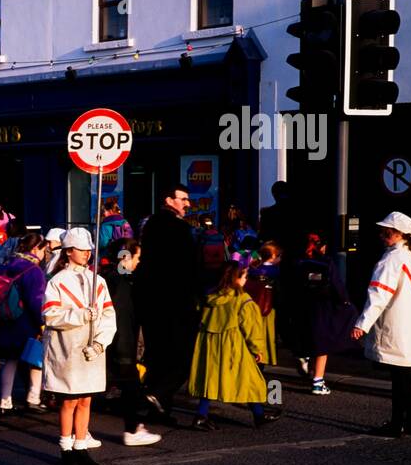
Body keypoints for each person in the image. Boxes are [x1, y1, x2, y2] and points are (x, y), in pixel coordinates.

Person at [352, 212, 411, 437]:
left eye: (387, 231)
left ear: (400, 234)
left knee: (399, 379)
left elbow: (379, 294)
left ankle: (397, 424)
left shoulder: (390, 259)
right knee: (405, 377)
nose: (382, 234)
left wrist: (362, 324)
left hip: (395, 325)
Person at [43, 228, 116, 465]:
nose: (87, 253)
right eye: (82, 249)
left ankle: (81, 446)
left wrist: (100, 343)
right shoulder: (57, 281)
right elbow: (50, 315)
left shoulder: (99, 281)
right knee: (70, 400)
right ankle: (66, 448)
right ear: (69, 251)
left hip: (92, 350)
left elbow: (108, 315)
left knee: (86, 400)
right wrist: (81, 314)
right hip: (68, 349)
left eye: (88, 249)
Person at [188, 260, 280, 430]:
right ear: (236, 279)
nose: (246, 280)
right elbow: (251, 328)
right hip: (234, 345)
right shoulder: (243, 300)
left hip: (210, 344)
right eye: (244, 276)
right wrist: (257, 349)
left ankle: (201, 415)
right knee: (249, 378)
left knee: (209, 380)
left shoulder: (210, 297)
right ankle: (259, 414)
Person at [135, 183, 199, 425]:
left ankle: (159, 409)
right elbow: (189, 268)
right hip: (175, 302)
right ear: (169, 200)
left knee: (157, 356)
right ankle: (158, 394)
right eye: (183, 199)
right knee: (182, 357)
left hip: (151, 302)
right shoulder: (180, 229)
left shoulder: (149, 224)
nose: (187, 204)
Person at [0, 231, 49, 414]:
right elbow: (36, 301)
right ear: (36, 249)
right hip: (23, 323)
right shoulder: (34, 271)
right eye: (43, 250)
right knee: (36, 358)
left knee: (10, 360)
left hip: (2, 320)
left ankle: (5, 401)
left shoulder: (7, 264)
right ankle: (33, 398)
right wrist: (42, 322)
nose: (44, 255)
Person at [102, 239, 160, 446]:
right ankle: (134, 428)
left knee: (122, 384)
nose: (139, 262)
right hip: (120, 341)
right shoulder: (118, 281)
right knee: (130, 384)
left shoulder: (114, 277)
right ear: (126, 257)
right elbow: (120, 316)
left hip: (117, 341)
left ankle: (134, 426)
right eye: (137, 257)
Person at [293, 234, 359, 395]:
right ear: (321, 246)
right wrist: (345, 301)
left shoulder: (299, 262)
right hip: (324, 305)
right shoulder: (326, 262)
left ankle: (304, 356)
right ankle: (318, 381)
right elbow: (337, 285)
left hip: (303, 304)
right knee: (323, 343)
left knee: (309, 336)